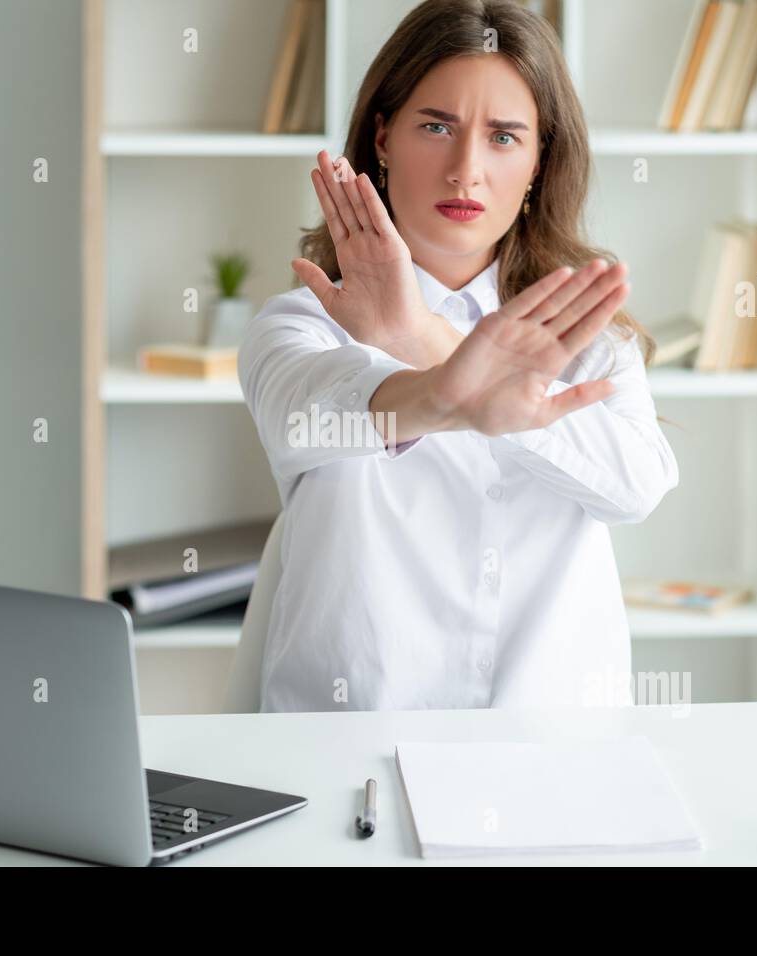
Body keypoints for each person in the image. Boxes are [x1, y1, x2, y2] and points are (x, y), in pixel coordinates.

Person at [237, 0, 679, 712]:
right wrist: (436, 375)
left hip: (549, 752)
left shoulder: (594, 341)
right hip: (345, 746)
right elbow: (303, 420)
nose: (466, 169)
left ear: (540, 162)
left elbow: (637, 488)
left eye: (504, 137)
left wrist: (422, 344)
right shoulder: (301, 324)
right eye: (436, 126)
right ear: (382, 137)